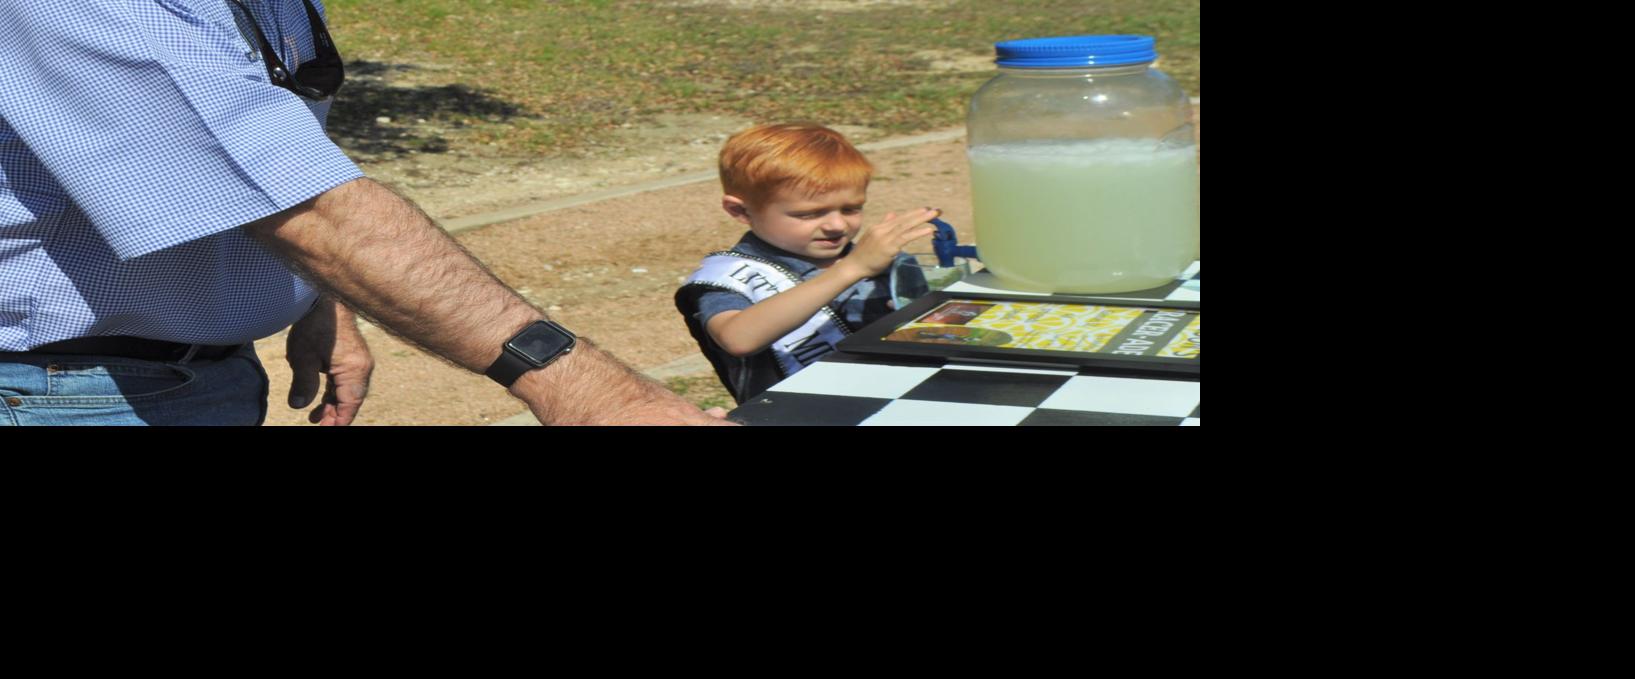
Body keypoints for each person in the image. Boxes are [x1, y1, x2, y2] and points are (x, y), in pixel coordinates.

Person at [0, 0, 729, 426]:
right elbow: (300, 205)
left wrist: (321, 294)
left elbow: (263, 140)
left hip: (168, 378)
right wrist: (591, 391)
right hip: (59, 392)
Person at [675, 123, 939, 403]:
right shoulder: (731, 276)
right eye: (808, 214)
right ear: (740, 210)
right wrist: (853, 268)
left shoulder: (889, 263)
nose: (837, 225)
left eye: (851, 209)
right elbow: (738, 339)